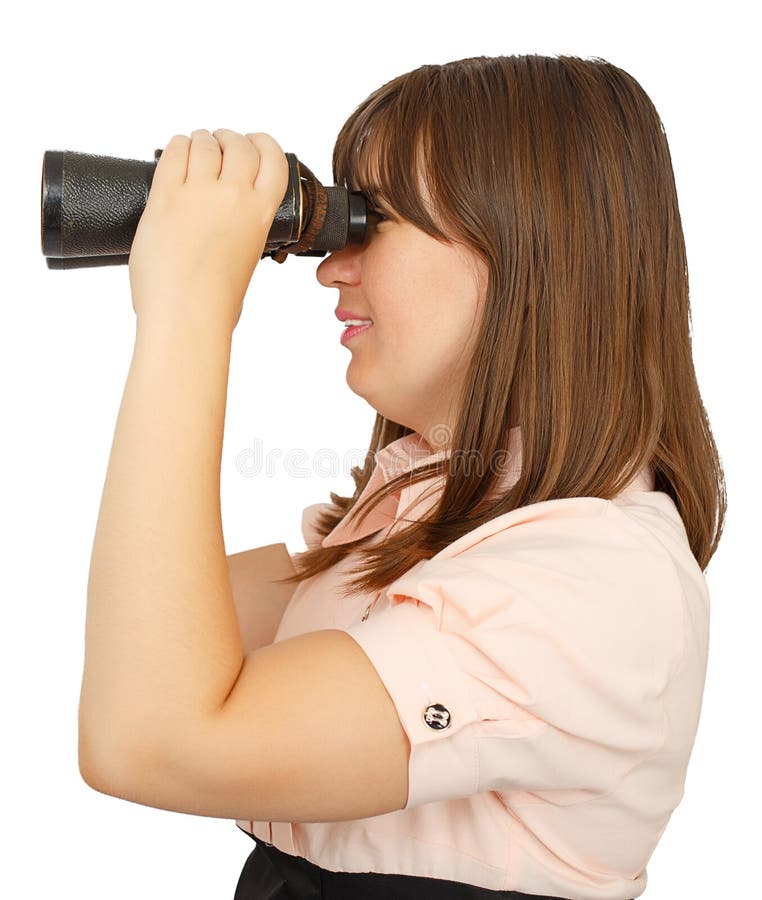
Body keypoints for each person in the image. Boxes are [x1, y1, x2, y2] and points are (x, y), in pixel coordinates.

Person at [230, 53, 724, 898]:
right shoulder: (417, 508)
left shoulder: (588, 577)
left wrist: (186, 319)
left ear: (532, 251)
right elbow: (149, 651)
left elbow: (154, 738)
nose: (332, 266)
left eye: (376, 220)